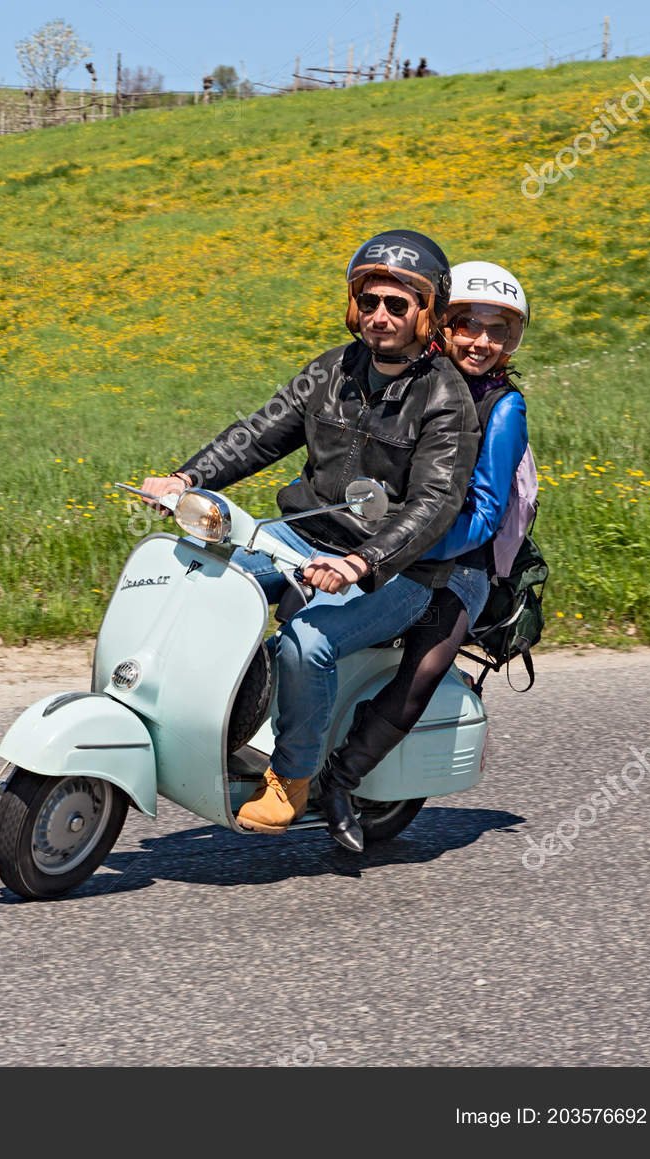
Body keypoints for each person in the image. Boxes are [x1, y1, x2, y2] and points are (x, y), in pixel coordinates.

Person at [137, 230, 480, 834]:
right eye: (368, 301)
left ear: (426, 314)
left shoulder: (445, 399)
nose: (379, 316)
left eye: (397, 305)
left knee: (307, 641)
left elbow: (435, 503)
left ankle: (291, 780)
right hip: (300, 537)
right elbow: (258, 434)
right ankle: (203, 719)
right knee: (202, 578)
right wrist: (184, 477)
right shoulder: (331, 370)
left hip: (398, 570)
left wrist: (363, 562)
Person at [310, 260, 533, 851]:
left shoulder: (502, 408)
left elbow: (483, 514)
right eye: (467, 325)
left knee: (423, 671)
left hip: (461, 563)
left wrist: (406, 541)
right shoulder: (417, 378)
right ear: (441, 323)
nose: (481, 342)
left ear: (512, 342)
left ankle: (341, 780)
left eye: (498, 331)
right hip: (380, 541)